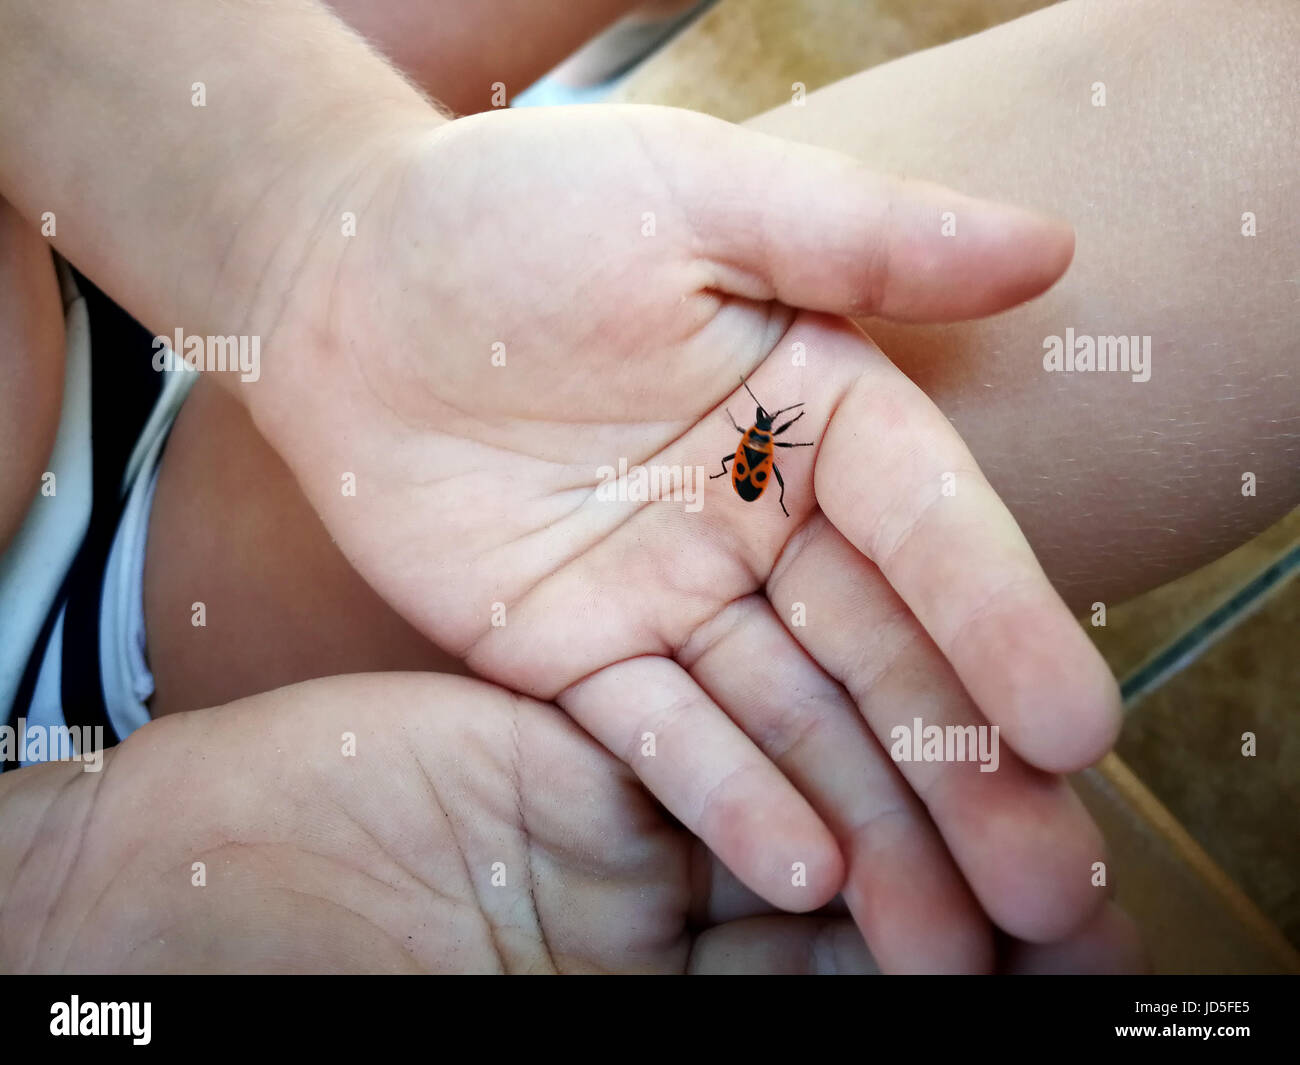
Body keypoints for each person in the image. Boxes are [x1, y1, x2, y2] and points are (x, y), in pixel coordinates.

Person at [13, 0, 1287, 973]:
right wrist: (50, 902)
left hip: (127, 171)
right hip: (97, 659)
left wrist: (306, 202)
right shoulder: (744, 457)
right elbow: (763, 457)